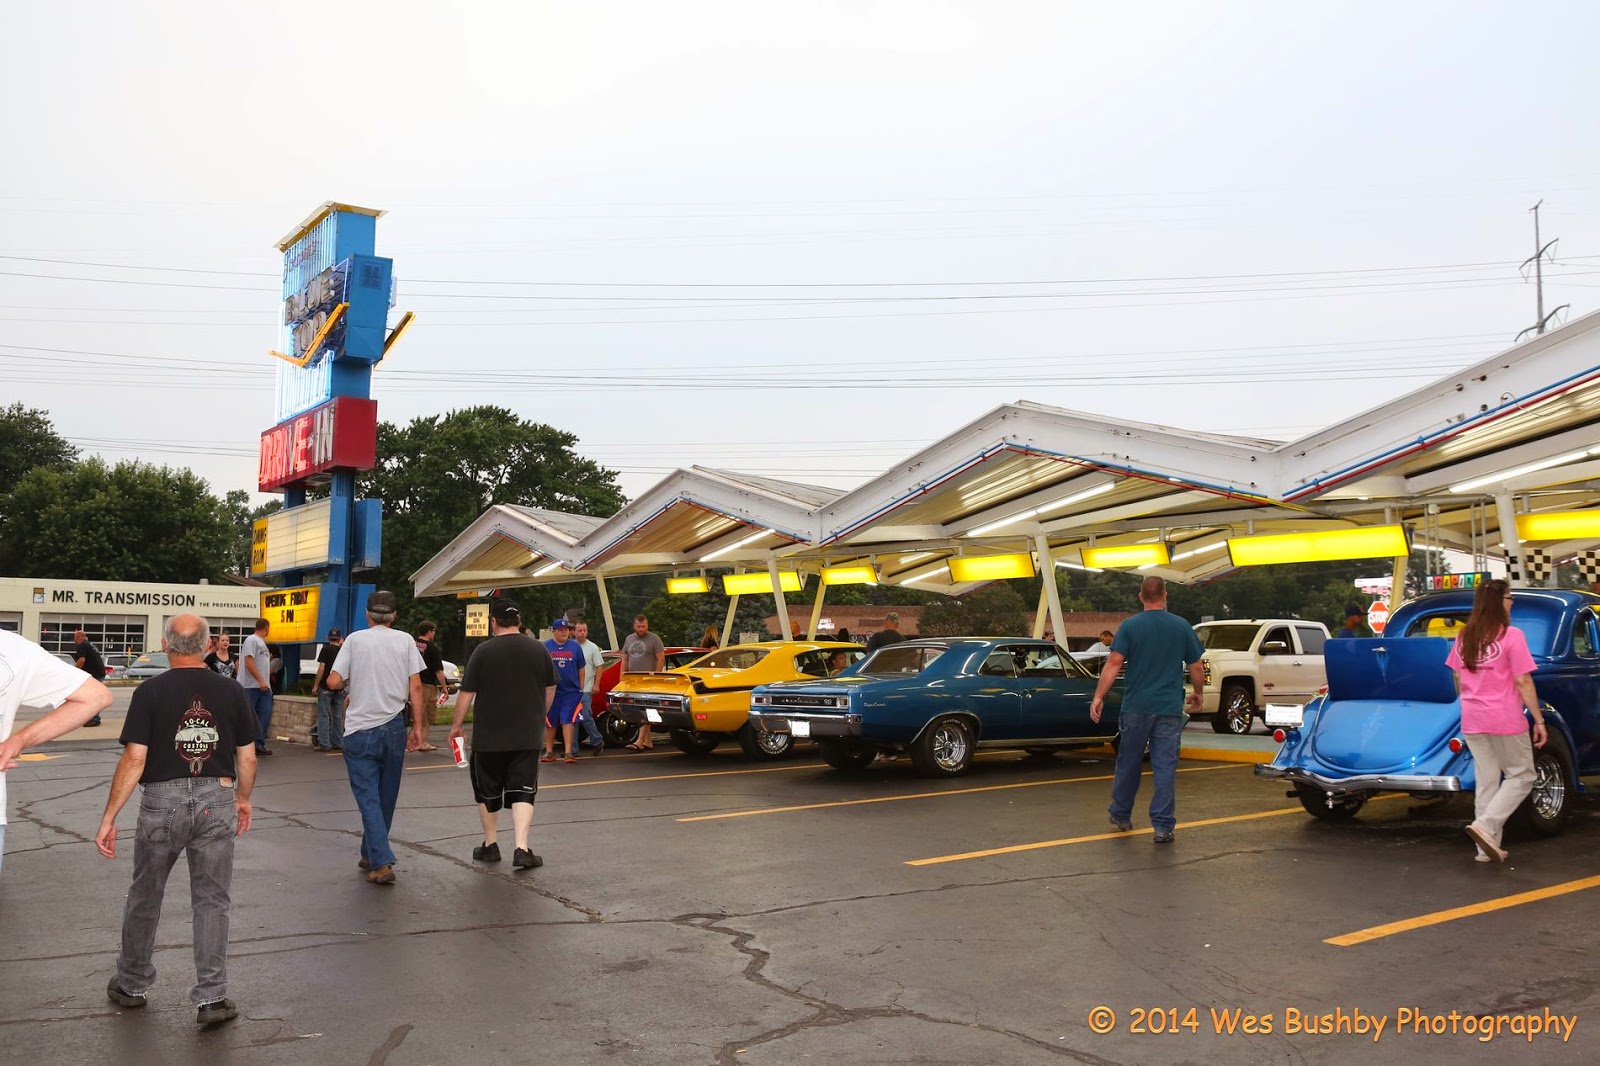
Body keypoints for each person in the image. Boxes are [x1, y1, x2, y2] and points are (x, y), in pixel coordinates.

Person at [96, 614, 257, 1027]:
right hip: (216, 795)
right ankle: (212, 997)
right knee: (212, 899)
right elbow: (248, 757)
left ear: (167, 646)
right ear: (206, 647)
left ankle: (132, 984)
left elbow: (135, 757)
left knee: (146, 892)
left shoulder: (150, 692)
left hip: (161, 800)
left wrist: (110, 816)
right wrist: (242, 799)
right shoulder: (232, 690)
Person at [1090, 576, 1206, 844]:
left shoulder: (1130, 626)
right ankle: (1163, 827)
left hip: (1135, 708)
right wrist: (1197, 693)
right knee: (1165, 766)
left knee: (1128, 762)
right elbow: (1196, 666)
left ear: (1141, 597)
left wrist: (1098, 696)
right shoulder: (1181, 626)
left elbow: (1113, 663)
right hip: (1168, 709)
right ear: (1165, 596)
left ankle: (1120, 815)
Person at [325, 591, 428, 886]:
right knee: (385, 796)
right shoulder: (406, 640)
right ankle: (370, 852)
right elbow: (416, 686)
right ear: (394, 616)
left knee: (368, 797)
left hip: (360, 729)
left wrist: (348, 681)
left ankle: (381, 861)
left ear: (368, 615)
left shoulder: (355, 640)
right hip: (394, 727)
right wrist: (418, 727)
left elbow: (333, 680)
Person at [449, 598, 555, 870]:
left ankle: (490, 844)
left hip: (489, 736)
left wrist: (456, 725)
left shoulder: (483, 652)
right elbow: (550, 688)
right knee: (523, 791)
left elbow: (467, 692)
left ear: (493, 622)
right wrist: (540, 715)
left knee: (488, 791)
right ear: (518, 622)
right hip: (527, 735)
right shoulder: (538, 649)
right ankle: (521, 848)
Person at [1445, 579, 1547, 864]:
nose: (1511, 602)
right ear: (1499, 602)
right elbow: (1523, 680)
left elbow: (1456, 676)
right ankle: (1486, 827)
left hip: (1473, 719)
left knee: (1487, 780)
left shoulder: (1466, 635)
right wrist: (1538, 719)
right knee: (1522, 775)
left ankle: (1485, 850)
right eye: (1509, 597)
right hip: (1504, 718)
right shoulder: (1512, 635)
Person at [0, 631, 113, 876]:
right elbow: (96, 696)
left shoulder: (14, 650)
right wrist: (18, 742)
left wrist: (18, 741)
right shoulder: (13, 649)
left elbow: (96, 696)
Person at [542, 619, 587, 763]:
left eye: (566, 629)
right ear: (554, 631)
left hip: (571, 691)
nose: (564, 632)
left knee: (568, 719)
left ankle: (568, 752)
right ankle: (549, 751)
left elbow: (581, 667)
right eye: (560, 630)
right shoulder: (546, 646)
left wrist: (581, 686)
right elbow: (541, 667)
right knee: (550, 721)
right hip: (552, 690)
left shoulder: (575, 647)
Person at [619, 615, 665, 750]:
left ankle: (639, 741)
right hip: (633, 680)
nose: (641, 629)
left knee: (645, 709)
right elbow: (625, 659)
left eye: (644, 626)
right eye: (639, 626)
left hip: (648, 680)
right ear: (634, 626)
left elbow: (661, 657)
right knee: (639, 709)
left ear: (647, 625)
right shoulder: (629, 639)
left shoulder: (654, 639)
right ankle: (648, 741)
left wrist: (656, 675)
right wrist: (622, 677)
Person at [237, 619, 274, 756]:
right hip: (250, 686)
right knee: (247, 716)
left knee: (264, 715)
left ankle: (258, 743)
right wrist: (260, 680)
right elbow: (248, 660)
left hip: (263, 687)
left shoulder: (262, 643)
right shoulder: (251, 640)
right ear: (266, 627)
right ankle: (241, 744)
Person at [573, 621, 606, 754]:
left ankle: (597, 740)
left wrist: (596, 684)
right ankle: (573, 749)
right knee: (572, 720)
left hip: (586, 689)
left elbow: (599, 667)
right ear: (574, 632)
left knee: (586, 716)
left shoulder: (592, 647)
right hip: (572, 690)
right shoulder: (570, 646)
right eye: (579, 630)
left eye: (584, 630)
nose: (582, 633)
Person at [413, 621, 447, 751]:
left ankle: (414, 740)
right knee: (427, 715)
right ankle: (422, 742)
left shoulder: (413, 644)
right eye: (433, 631)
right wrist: (444, 687)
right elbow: (438, 671)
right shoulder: (432, 648)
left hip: (413, 682)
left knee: (415, 714)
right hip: (427, 685)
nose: (434, 634)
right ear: (428, 631)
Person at [311, 629, 345, 752]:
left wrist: (316, 685)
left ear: (328, 638)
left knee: (324, 714)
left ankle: (325, 743)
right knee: (337, 715)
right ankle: (339, 741)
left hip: (326, 686)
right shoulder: (342, 651)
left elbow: (322, 668)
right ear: (340, 637)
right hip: (339, 686)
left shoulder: (326, 650)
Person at [73, 628, 109, 727]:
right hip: (99, 673)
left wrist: (74, 671)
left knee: (91, 697)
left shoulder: (82, 645)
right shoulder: (90, 645)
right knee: (91, 696)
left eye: (75, 637)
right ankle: (90, 717)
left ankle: (94, 719)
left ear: (79, 637)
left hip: (94, 674)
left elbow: (81, 661)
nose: (74, 640)